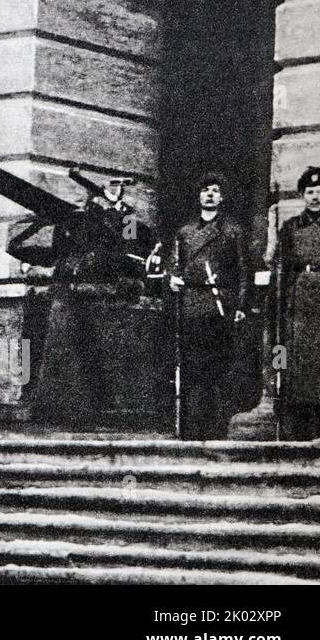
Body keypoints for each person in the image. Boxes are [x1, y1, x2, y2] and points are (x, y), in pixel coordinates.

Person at [31, 176, 148, 427]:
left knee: (97, 354)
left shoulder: (127, 217)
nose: (113, 191)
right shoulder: (79, 217)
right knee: (63, 351)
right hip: (73, 289)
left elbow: (130, 253)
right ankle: (58, 409)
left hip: (103, 292)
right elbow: (62, 251)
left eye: (118, 187)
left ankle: (96, 410)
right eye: (108, 186)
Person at [168, 173, 251, 440]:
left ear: (222, 197)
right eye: (206, 190)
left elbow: (242, 270)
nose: (210, 194)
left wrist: (240, 305)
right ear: (199, 196)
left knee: (218, 368)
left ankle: (217, 429)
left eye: (215, 190)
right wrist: (173, 280)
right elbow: (174, 266)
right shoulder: (185, 232)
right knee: (192, 367)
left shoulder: (232, 230)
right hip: (192, 304)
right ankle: (192, 429)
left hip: (219, 306)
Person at [277, 165, 320, 439]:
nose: (314, 197)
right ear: (302, 195)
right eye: (309, 192)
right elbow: (284, 270)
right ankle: (300, 429)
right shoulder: (290, 228)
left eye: (319, 192)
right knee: (299, 364)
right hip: (300, 301)